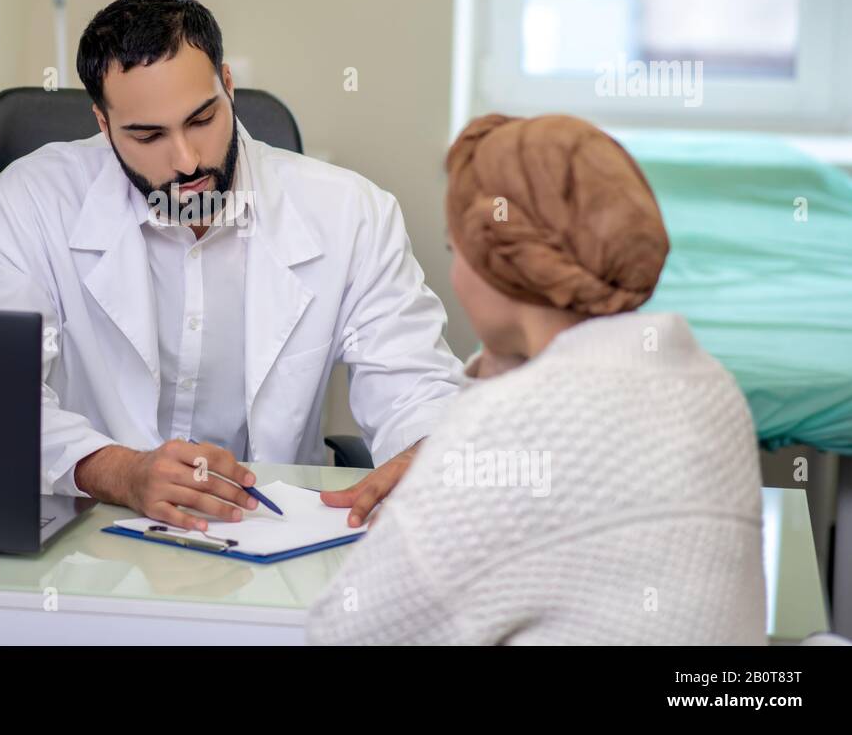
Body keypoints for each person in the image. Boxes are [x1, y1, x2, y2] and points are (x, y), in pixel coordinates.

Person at [0, 0, 465, 530]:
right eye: (148, 135)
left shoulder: (351, 211)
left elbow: (413, 386)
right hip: (89, 526)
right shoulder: (29, 203)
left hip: (274, 533)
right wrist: (120, 471)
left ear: (227, 85)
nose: (186, 161)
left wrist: (427, 446)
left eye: (201, 120)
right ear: (103, 126)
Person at [306, 113, 766, 645]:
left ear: (497, 264)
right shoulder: (710, 386)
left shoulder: (508, 429)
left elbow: (345, 633)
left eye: (456, 253)